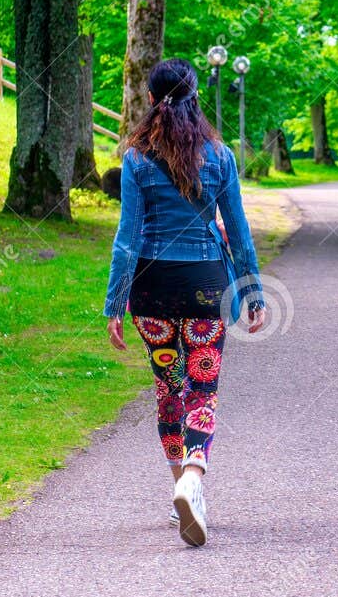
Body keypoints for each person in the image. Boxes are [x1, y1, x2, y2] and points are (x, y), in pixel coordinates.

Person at [104, 57, 266, 547]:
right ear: (195, 96)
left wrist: (115, 301)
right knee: (202, 385)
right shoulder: (219, 155)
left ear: (151, 99)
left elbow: (127, 237)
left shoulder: (135, 157)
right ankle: (194, 477)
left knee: (168, 387)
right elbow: (236, 229)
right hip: (206, 287)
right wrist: (253, 289)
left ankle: (180, 488)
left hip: (151, 289)